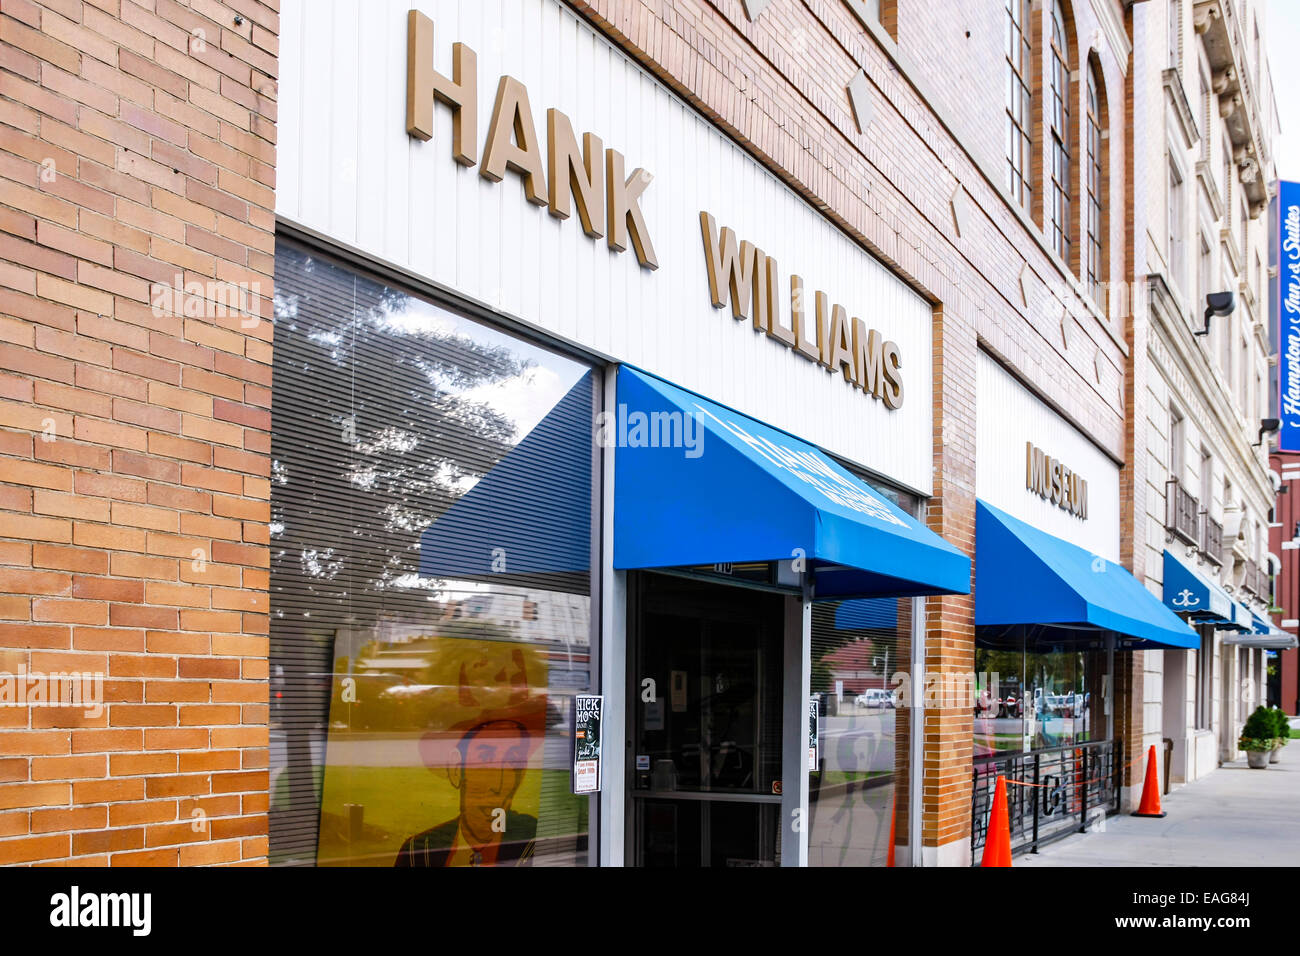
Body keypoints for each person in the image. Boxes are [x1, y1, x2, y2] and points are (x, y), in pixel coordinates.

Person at [394, 718, 538, 867]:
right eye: (484, 758)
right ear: (456, 769)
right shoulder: (419, 851)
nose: (498, 786)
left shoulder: (538, 844)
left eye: (512, 762)